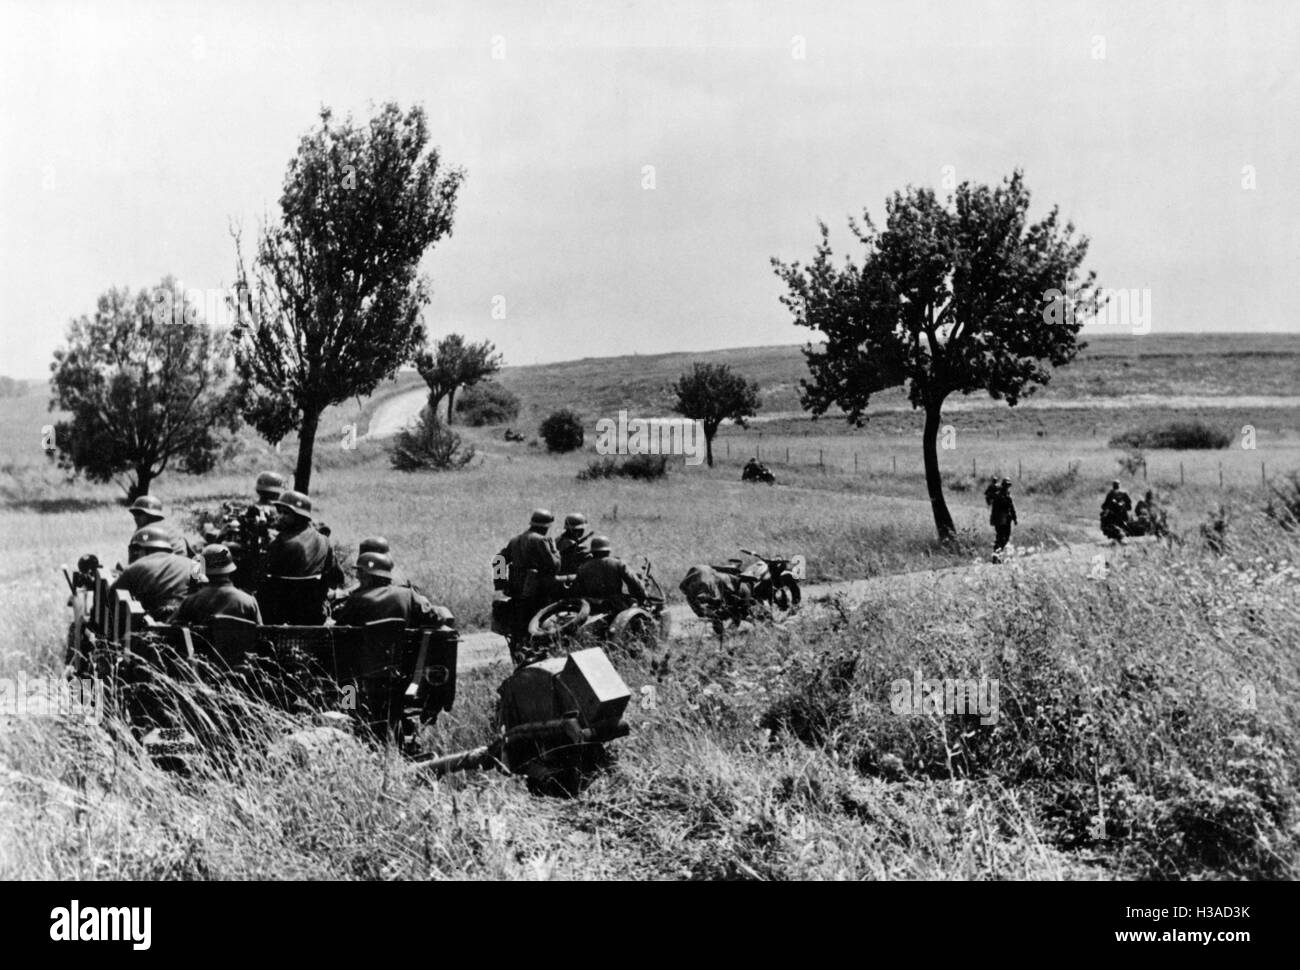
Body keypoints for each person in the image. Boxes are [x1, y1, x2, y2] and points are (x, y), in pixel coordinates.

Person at [259, 490, 344, 624]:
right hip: (312, 614)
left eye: (285, 513)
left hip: (276, 614)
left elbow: (259, 575)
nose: (279, 517)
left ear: (300, 516)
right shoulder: (324, 541)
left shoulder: (279, 543)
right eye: (279, 512)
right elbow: (337, 576)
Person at [111, 526, 198, 620]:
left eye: (137, 550)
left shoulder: (136, 567)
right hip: (189, 619)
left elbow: (111, 595)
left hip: (154, 623)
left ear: (144, 550)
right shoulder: (193, 564)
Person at [332, 552, 437, 628]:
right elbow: (435, 618)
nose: (357, 576)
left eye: (360, 572)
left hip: (363, 658)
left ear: (368, 577)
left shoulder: (357, 599)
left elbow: (339, 630)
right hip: (401, 656)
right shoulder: (409, 595)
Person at [171, 544, 262, 625]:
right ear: (230, 569)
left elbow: (171, 626)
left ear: (204, 569)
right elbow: (261, 633)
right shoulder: (248, 601)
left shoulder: (190, 602)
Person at [574, 536, 646, 613]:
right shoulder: (617, 563)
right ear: (608, 551)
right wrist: (641, 597)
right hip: (615, 604)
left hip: (591, 607)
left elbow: (577, 590)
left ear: (592, 551)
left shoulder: (583, 567)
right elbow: (635, 584)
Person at [679, 563, 752, 639]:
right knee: (717, 609)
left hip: (704, 576)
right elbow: (703, 609)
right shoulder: (695, 591)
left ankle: (725, 631)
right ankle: (724, 632)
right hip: (712, 585)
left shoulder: (717, 580)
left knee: (735, 611)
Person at [127, 494, 193, 557]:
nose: (135, 517)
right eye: (134, 514)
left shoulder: (144, 532)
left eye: (139, 513)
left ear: (150, 515)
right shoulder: (172, 528)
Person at [990, 478, 1017, 561]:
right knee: (1000, 537)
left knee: (1006, 538)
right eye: (1006, 485)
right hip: (1000, 520)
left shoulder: (1008, 495)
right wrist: (993, 519)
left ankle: (998, 554)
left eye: (1008, 485)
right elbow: (994, 509)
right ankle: (996, 556)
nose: (1007, 487)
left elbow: (1011, 508)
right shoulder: (998, 496)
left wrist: (1014, 518)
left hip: (1007, 520)